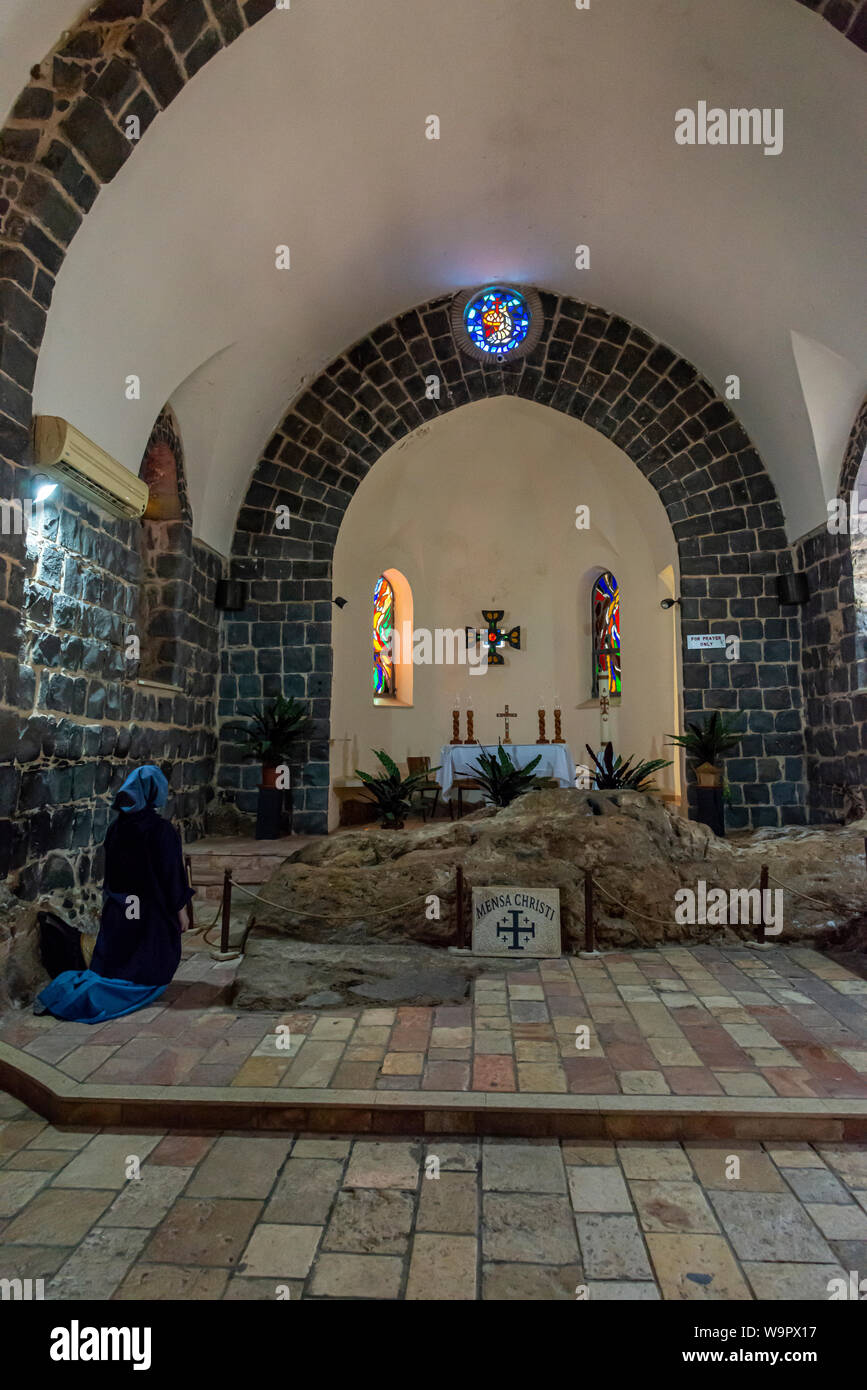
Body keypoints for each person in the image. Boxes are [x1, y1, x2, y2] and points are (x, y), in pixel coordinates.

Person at [35, 765, 194, 1023]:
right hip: (150, 915)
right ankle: (90, 998)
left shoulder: (117, 828)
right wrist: (181, 911)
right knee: (143, 973)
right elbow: (171, 876)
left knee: (116, 967)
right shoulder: (161, 830)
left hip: (121, 910)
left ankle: (78, 989)